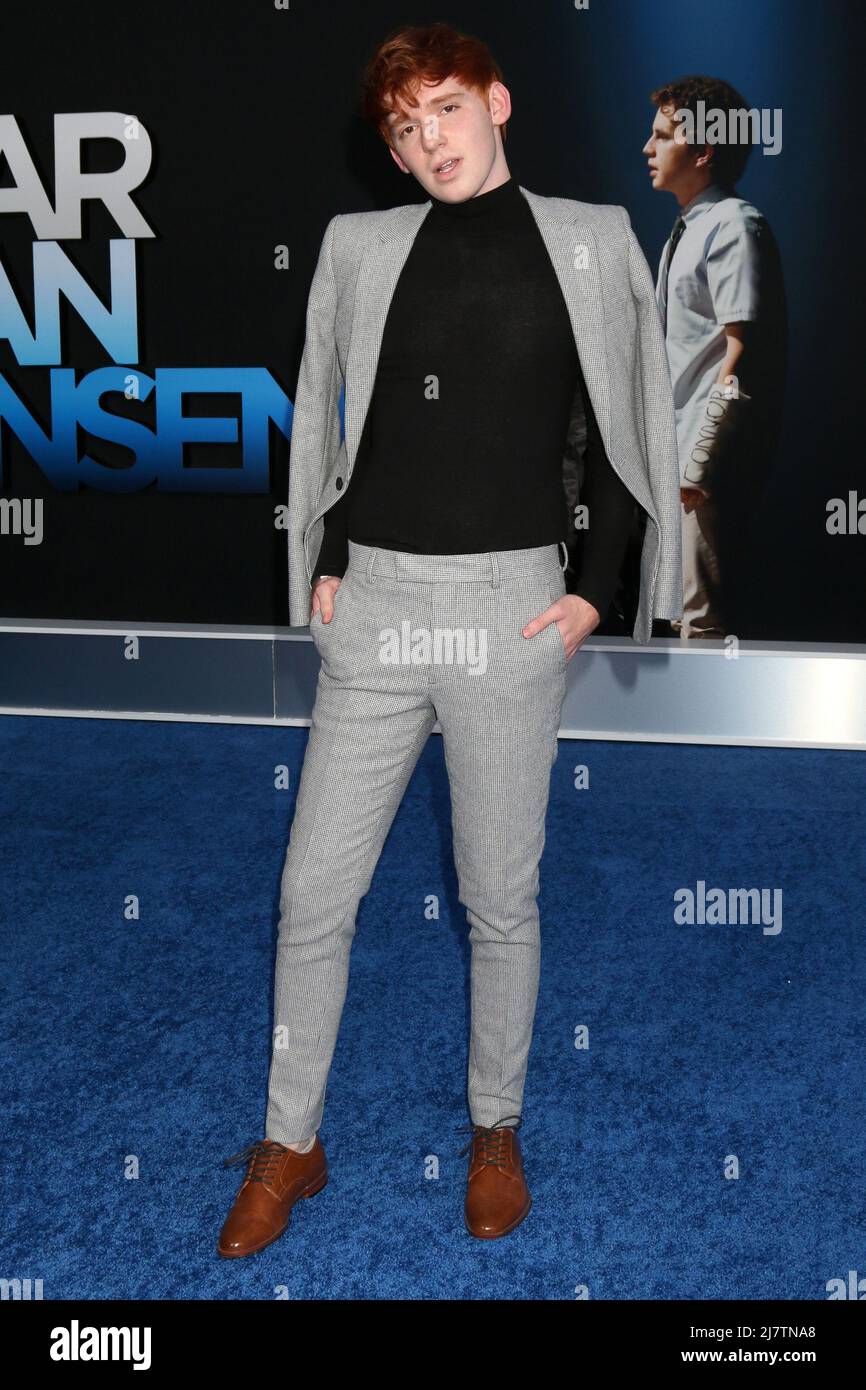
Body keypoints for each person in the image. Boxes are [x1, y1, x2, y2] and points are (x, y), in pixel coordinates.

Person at [218, 22, 682, 1257]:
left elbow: (634, 423)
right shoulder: (357, 246)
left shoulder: (589, 238)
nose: (428, 142)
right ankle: (291, 1141)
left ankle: (493, 1126)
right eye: (402, 128)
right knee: (312, 891)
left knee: (498, 896)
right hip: (371, 608)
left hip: (511, 610)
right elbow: (326, 410)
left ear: (496, 101)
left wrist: (592, 590)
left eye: (444, 111)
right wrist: (322, 560)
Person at [643, 76, 787, 638]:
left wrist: (698, 468)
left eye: (661, 136)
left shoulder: (733, 224)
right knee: (679, 617)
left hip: (703, 473)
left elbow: (742, 355)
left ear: (703, 151)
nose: (647, 148)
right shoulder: (687, 230)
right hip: (676, 463)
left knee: (701, 624)